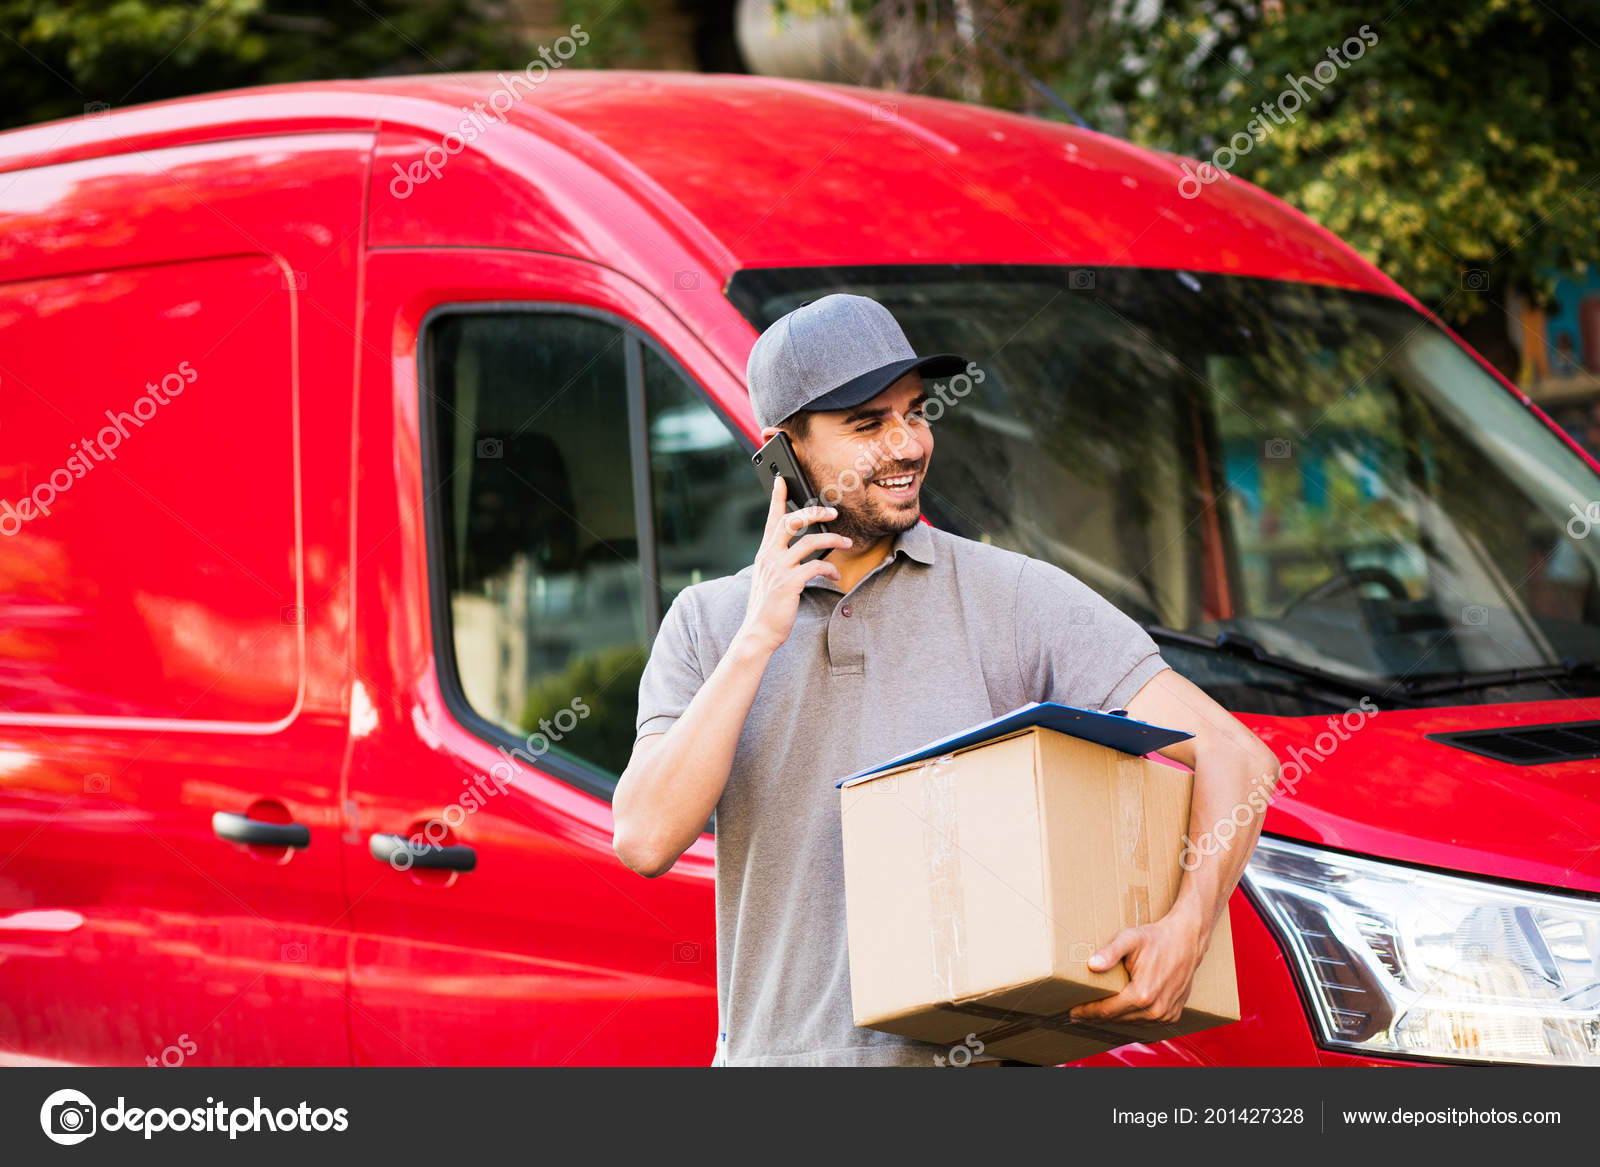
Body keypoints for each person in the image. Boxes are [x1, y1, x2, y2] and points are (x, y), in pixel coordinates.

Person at [611, 293, 1282, 1067]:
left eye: (916, 412)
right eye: (868, 423)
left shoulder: (1016, 596)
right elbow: (645, 838)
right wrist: (760, 634)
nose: (907, 444)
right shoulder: (707, 622)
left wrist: (1188, 925)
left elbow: (1239, 757)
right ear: (781, 452)